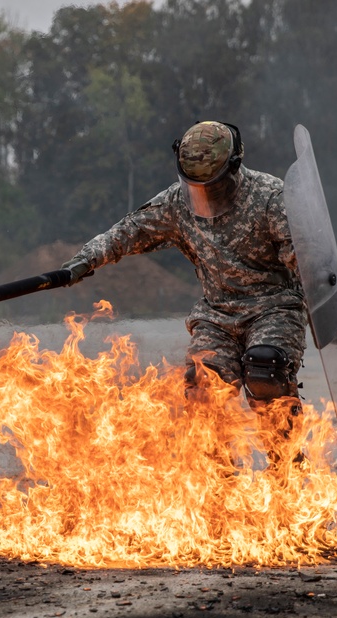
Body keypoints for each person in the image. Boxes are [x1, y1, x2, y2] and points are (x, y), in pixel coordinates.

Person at [62, 120, 307, 409]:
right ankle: (214, 455)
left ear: (233, 168)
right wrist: (84, 260)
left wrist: (307, 263)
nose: (203, 197)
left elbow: (302, 256)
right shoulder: (176, 203)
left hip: (273, 307)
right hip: (217, 314)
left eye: (212, 188)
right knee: (201, 385)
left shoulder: (270, 196)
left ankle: (286, 455)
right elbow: (129, 232)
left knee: (265, 370)